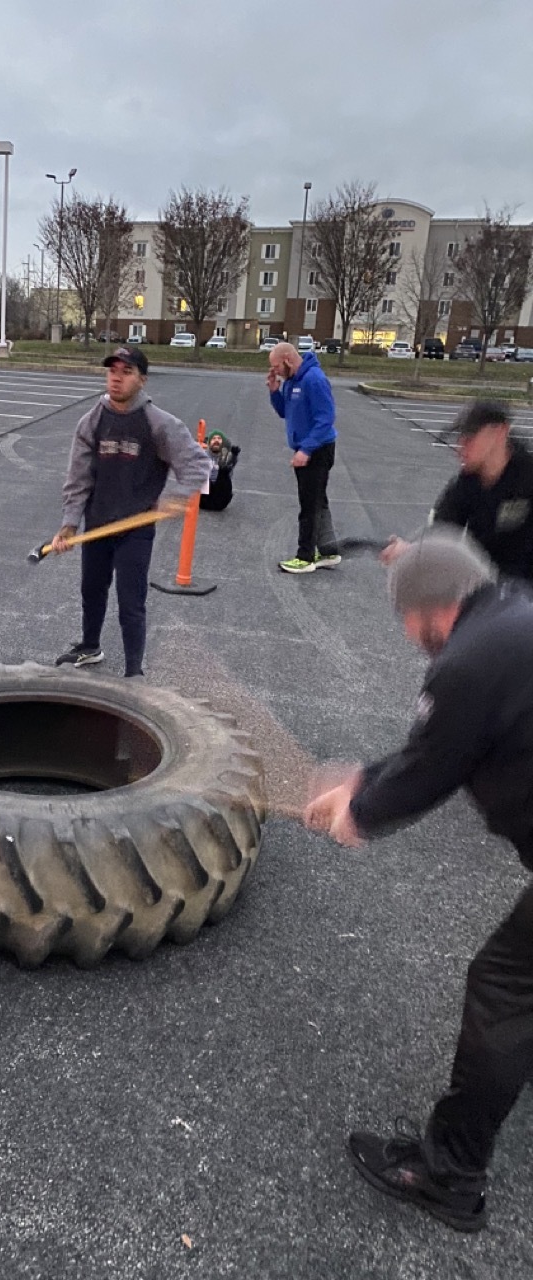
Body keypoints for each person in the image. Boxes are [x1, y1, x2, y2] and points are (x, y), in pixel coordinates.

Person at [304, 529, 533, 1234]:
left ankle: (450, 1176)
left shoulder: (465, 662)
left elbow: (432, 769)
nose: (407, 635)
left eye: (404, 617)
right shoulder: (512, 615)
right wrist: (363, 780)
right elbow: (442, 746)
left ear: (431, 608)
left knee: (504, 988)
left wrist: (360, 814)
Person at [52, 346, 211, 678]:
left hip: (136, 528)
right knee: (92, 590)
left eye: (126, 372)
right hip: (98, 524)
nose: (116, 378)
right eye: (112, 371)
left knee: (131, 602)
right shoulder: (92, 422)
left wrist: (178, 496)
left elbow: (198, 463)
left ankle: (134, 671)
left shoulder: (158, 423)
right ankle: (90, 646)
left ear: (142, 380)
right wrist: (69, 524)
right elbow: (78, 478)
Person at [381, 400, 533, 582]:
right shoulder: (466, 484)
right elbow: (441, 533)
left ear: (500, 432)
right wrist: (410, 552)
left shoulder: (527, 473)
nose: (460, 449)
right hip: (489, 585)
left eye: (470, 439)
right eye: (460, 440)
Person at [266, 340, 340, 574]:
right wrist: (274, 391)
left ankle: (305, 557)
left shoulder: (314, 380)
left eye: (276, 367)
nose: (275, 371)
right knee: (318, 500)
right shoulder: (291, 381)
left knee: (309, 505)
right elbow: (285, 412)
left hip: (318, 449)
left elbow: (326, 418)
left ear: (288, 360)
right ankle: (328, 551)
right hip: (305, 448)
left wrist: (306, 450)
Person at [199, 431, 240, 512]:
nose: (216, 441)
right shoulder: (203, 453)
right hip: (203, 499)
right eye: (213, 439)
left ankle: (223, 466)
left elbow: (229, 468)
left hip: (219, 499)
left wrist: (234, 456)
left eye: (219, 439)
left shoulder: (226, 456)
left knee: (224, 471)